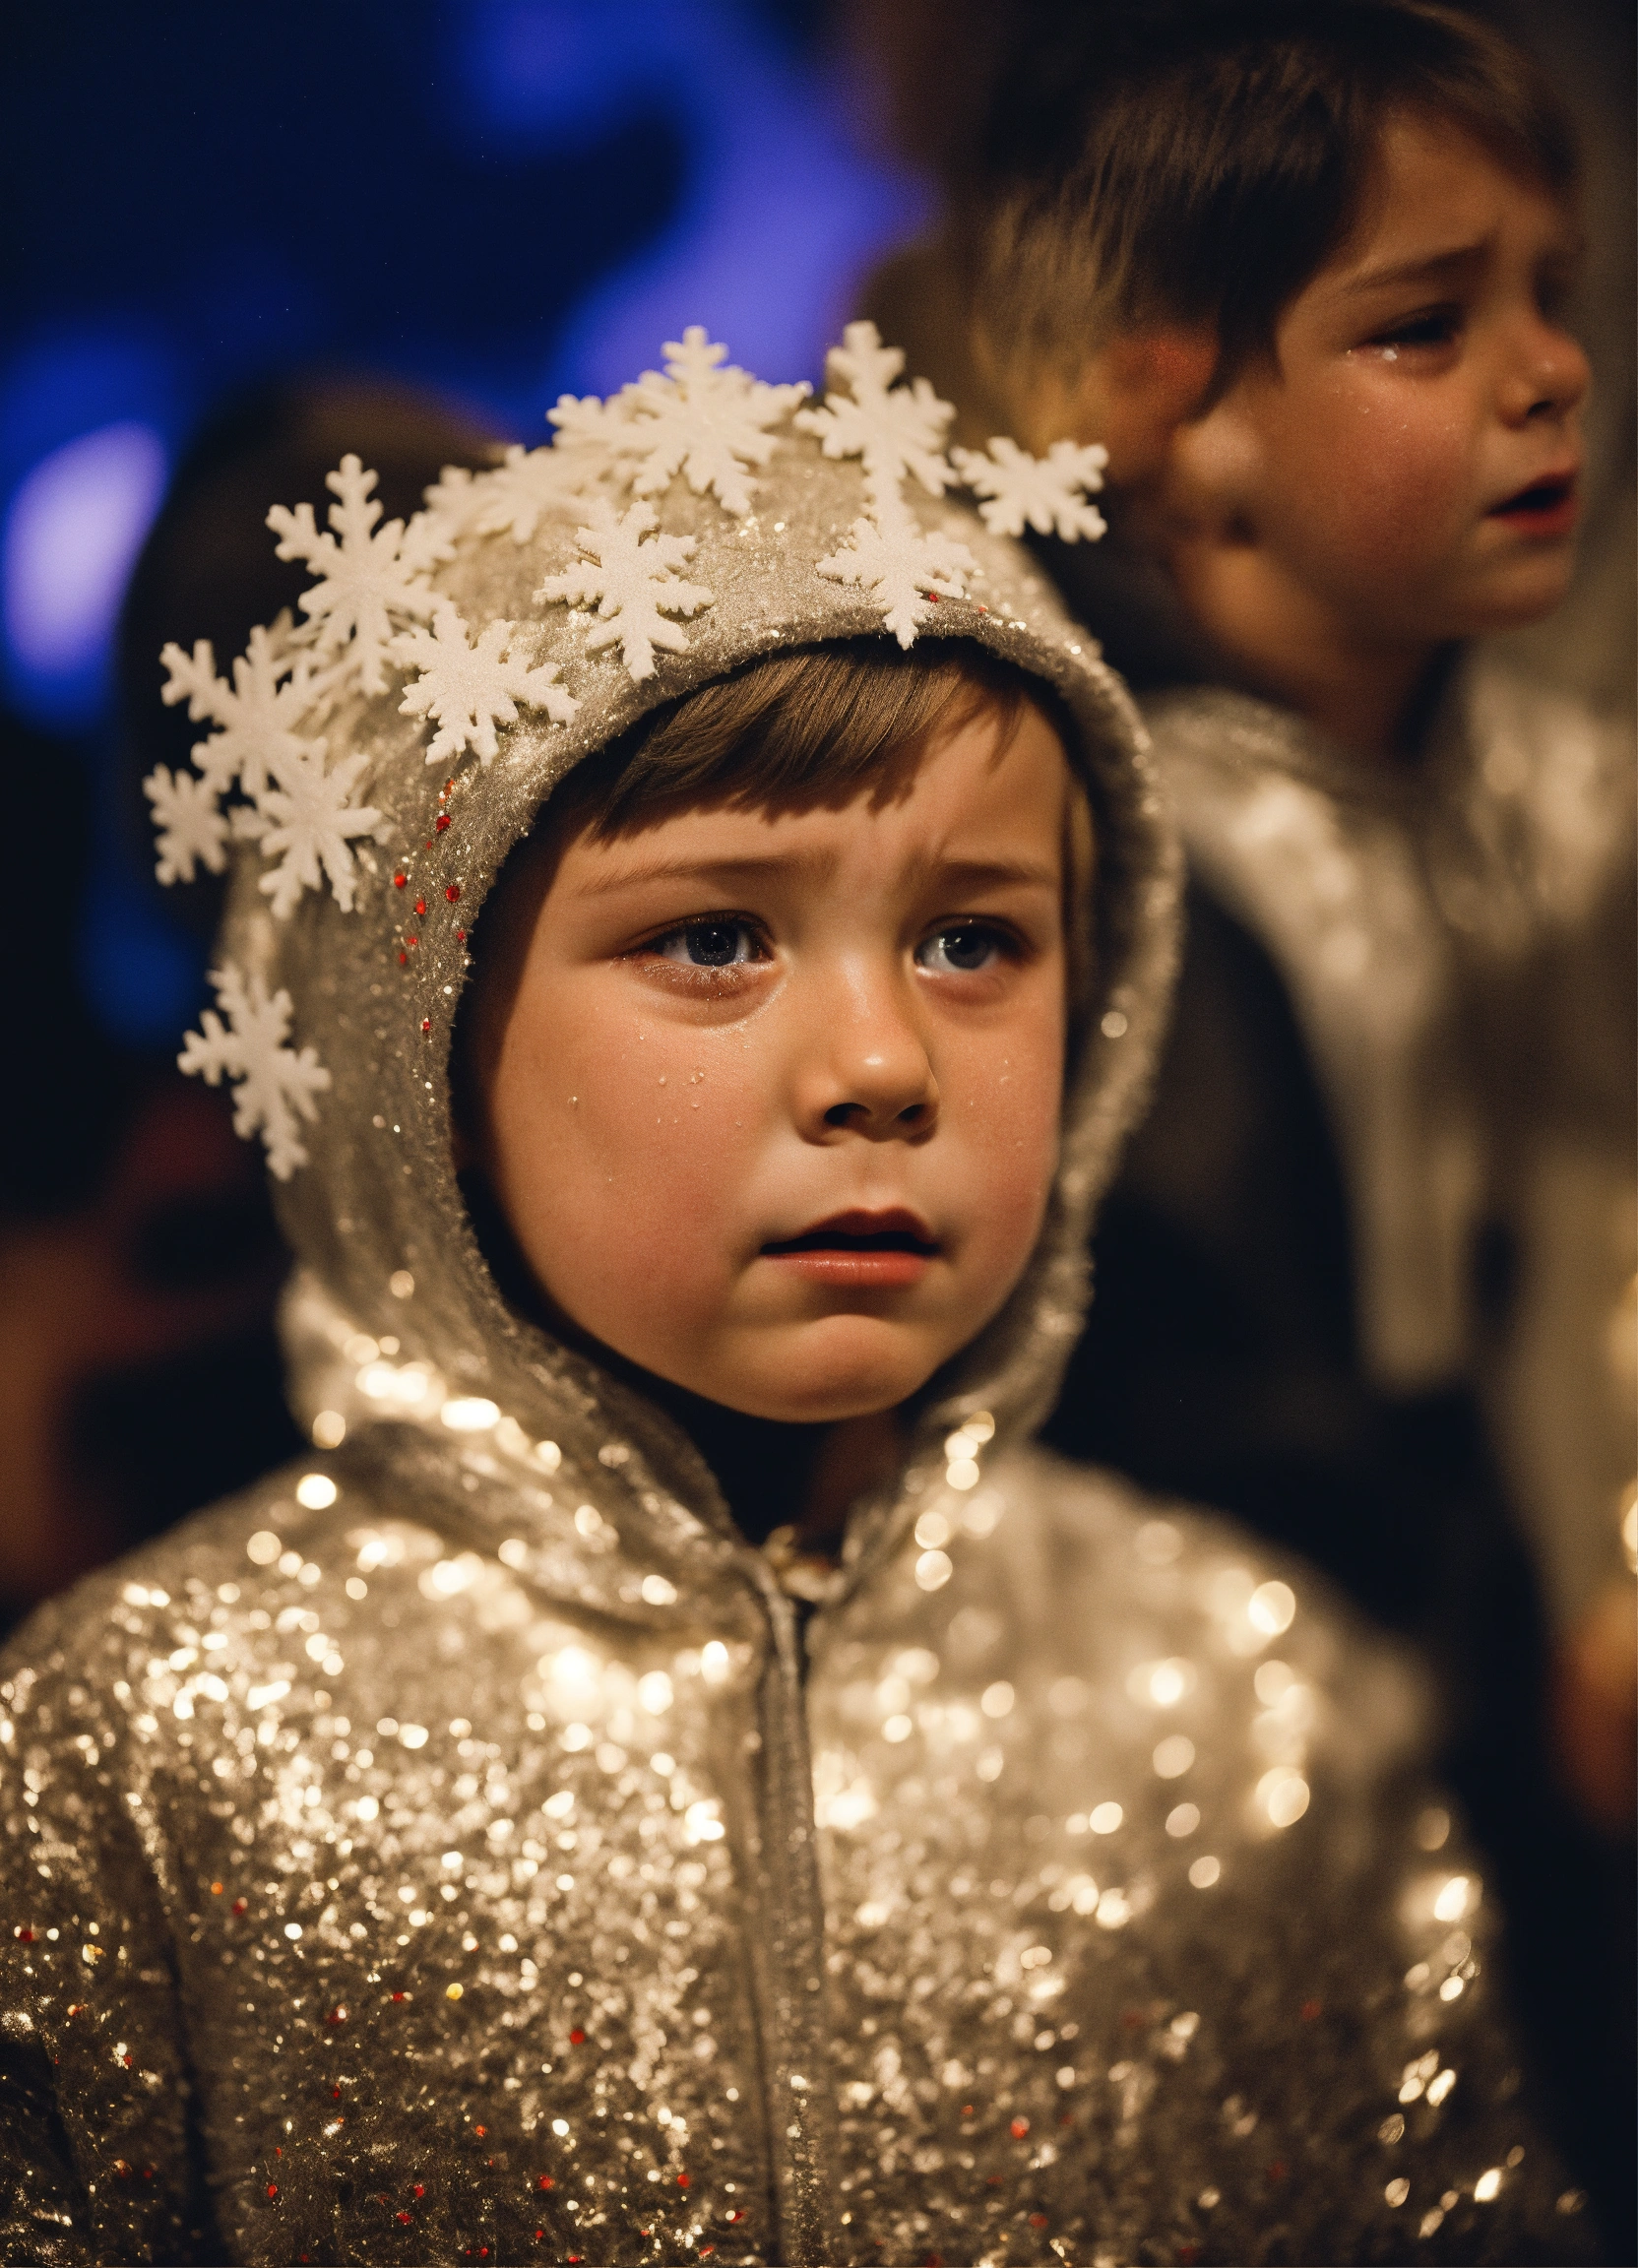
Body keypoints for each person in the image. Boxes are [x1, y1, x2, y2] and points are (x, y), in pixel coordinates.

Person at [0, 329, 1597, 2265]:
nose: (880, 1061)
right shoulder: (138, 1764)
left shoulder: (1262, 1719)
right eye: (715, 936)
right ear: (416, 1023)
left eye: (971, 938)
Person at [855, 0, 1636, 2225]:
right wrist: (1517, 1668)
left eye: (1553, 298)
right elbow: (1207, 1424)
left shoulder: (1516, 796)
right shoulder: (1120, 866)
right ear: (1154, 404)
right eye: (1420, 327)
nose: (1547, 369)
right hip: (1266, 1827)